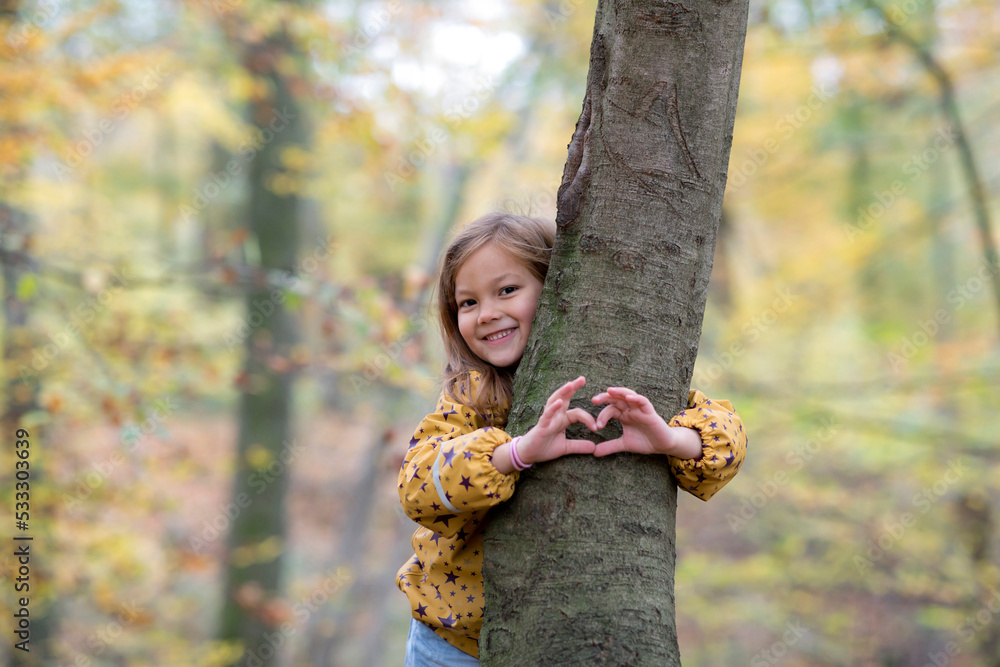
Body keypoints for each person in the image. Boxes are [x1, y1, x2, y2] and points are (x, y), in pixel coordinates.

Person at [396, 212, 748, 665]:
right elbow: (415, 485)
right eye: (467, 302)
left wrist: (671, 439)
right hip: (451, 644)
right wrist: (515, 452)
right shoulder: (470, 397)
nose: (486, 314)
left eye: (507, 290)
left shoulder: (611, 373)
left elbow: (727, 439)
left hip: (559, 640)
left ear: (556, 287)